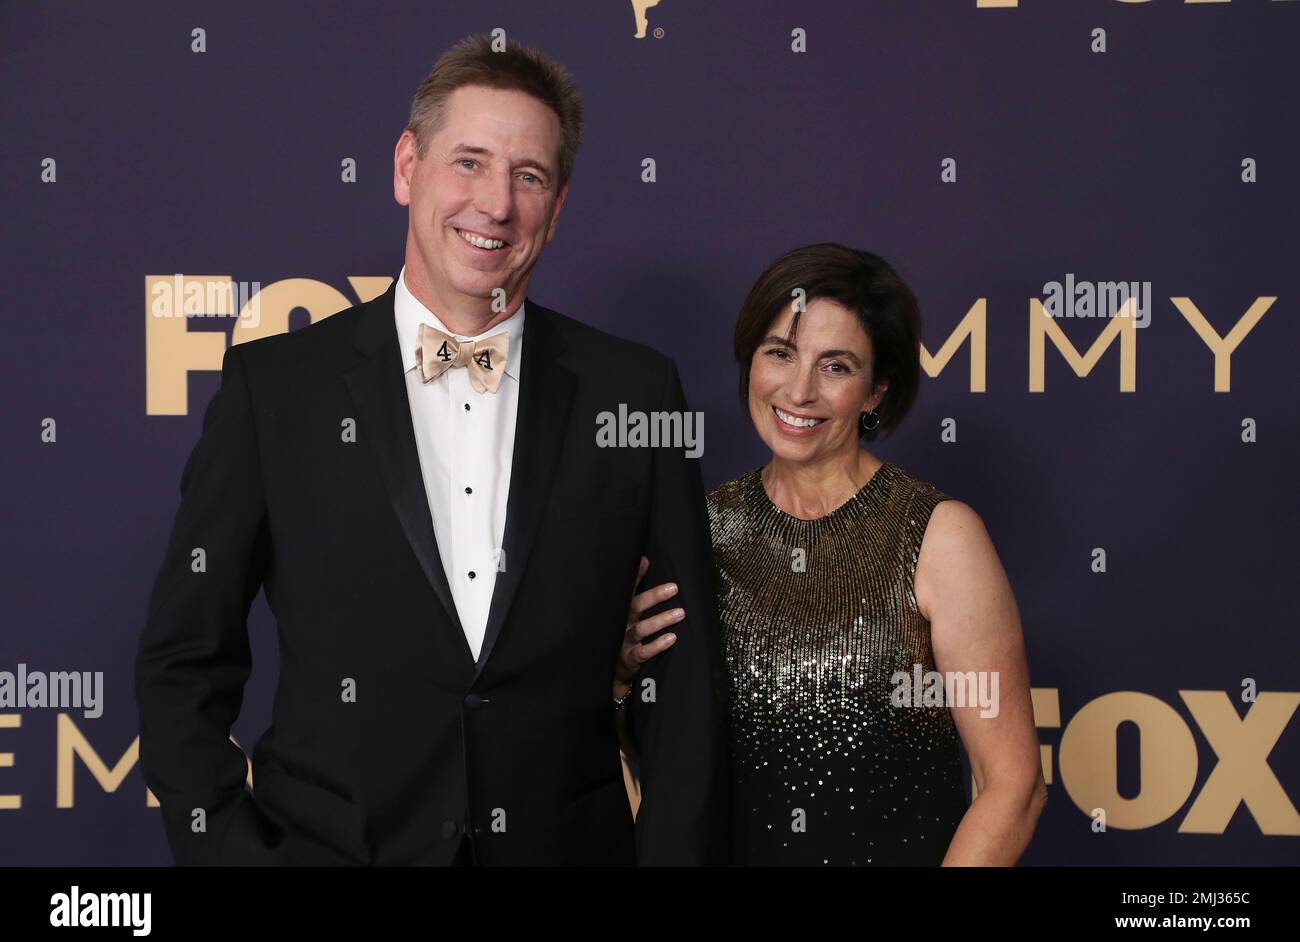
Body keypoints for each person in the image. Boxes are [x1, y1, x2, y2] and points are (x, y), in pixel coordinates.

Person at [134, 33, 728, 867]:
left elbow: (686, 699)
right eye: (470, 162)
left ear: (556, 209)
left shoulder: (634, 392)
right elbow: (181, 665)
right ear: (407, 167)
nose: (496, 205)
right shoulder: (277, 390)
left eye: (530, 177)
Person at [617, 243, 1047, 865]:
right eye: (780, 354)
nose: (799, 390)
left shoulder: (938, 537)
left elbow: (1014, 785)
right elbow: (661, 767)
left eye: (836, 366)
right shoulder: (697, 530)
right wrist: (625, 679)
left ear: (876, 391)